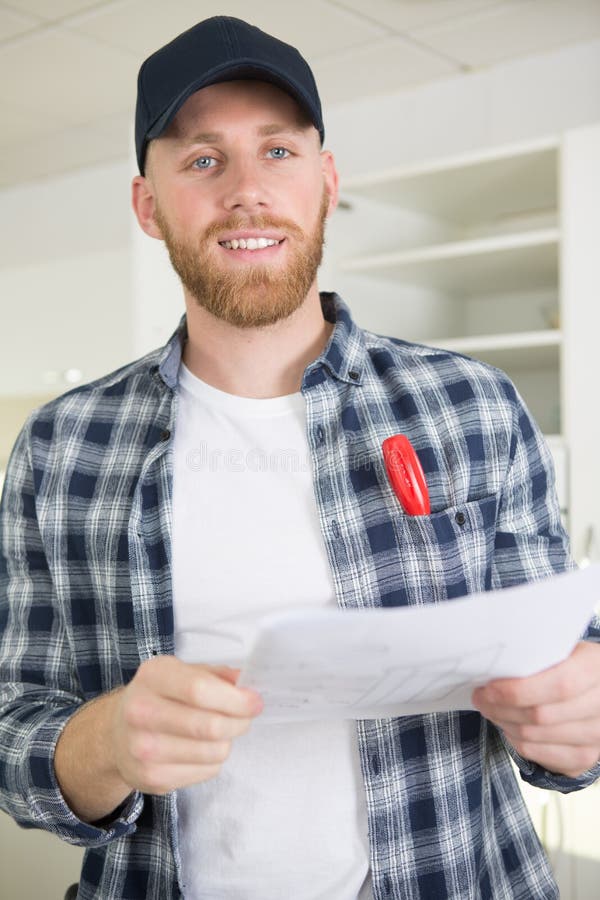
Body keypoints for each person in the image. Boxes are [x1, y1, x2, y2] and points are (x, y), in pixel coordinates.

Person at [1, 15, 600, 900]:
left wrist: (578, 723)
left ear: (326, 181)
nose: (247, 190)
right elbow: (16, 733)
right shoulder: (61, 446)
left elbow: (567, 682)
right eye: (203, 160)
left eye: (277, 152)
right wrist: (110, 741)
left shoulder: (472, 404)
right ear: (148, 205)